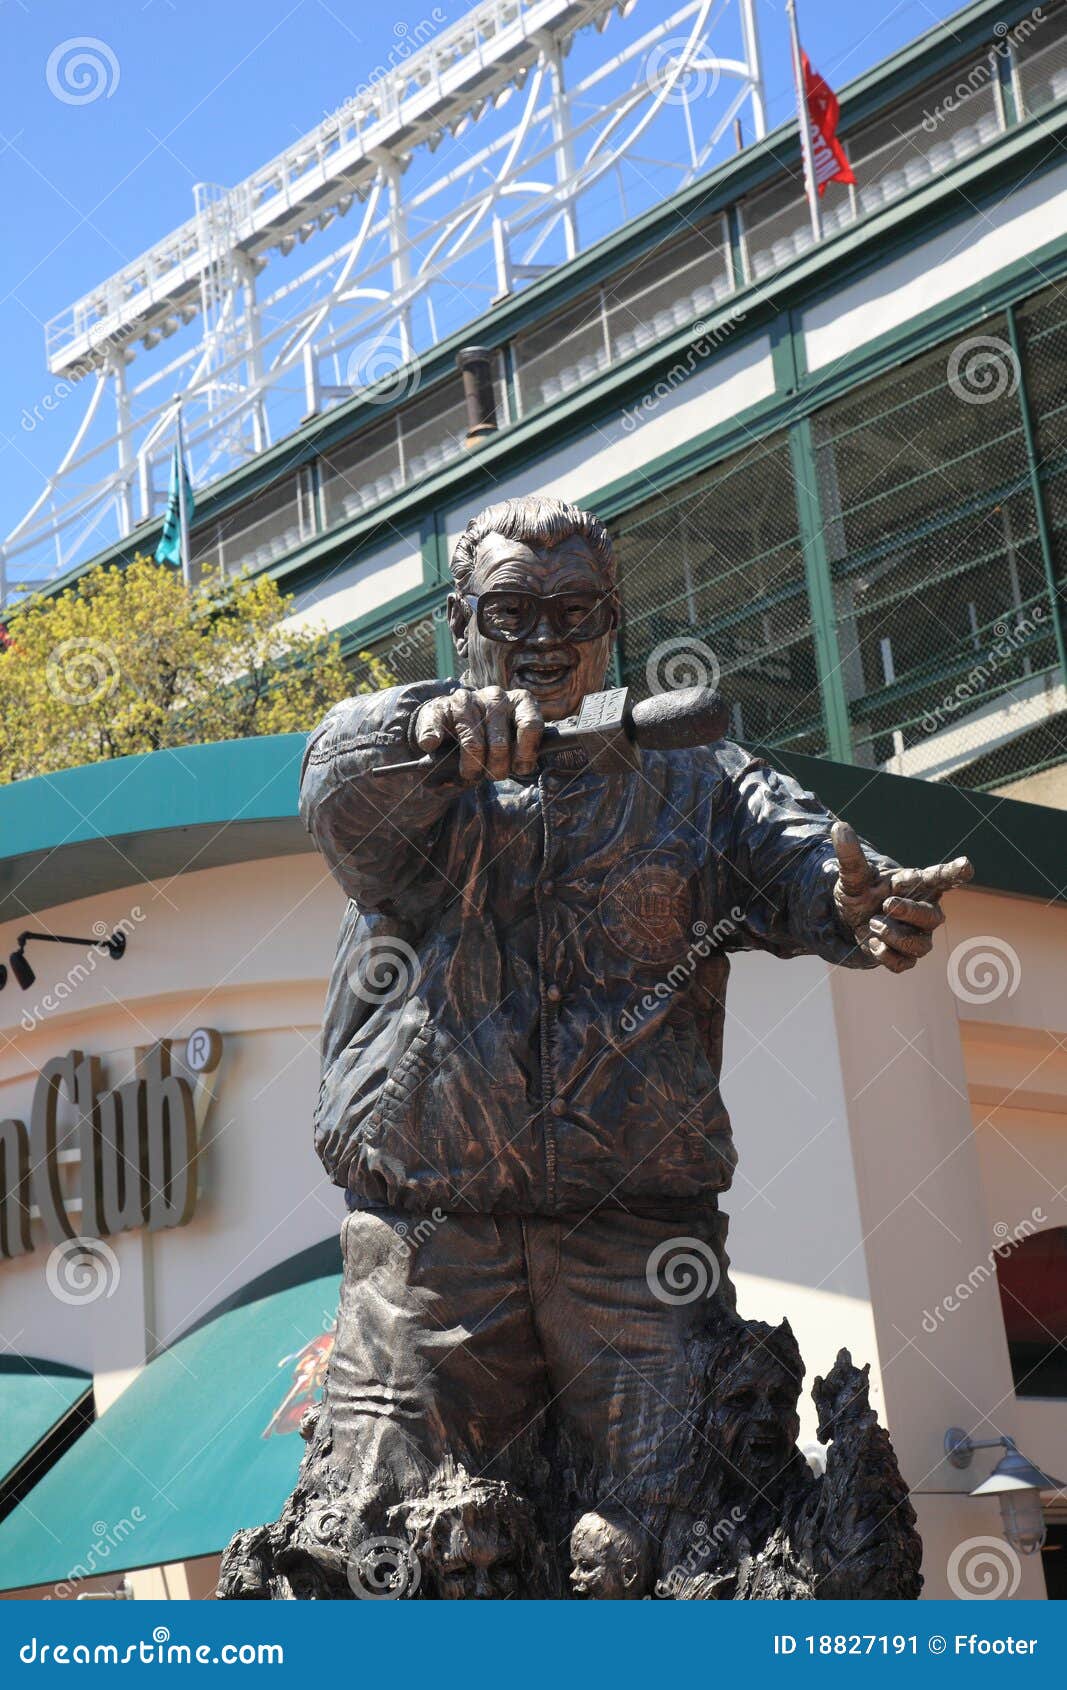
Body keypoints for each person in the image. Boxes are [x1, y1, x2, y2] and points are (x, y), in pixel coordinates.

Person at [296, 494, 972, 1579]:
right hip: (431, 1242)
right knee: (393, 1539)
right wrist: (427, 730)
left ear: (611, 624)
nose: (542, 638)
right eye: (510, 609)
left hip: (635, 1235)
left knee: (684, 1528)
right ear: (459, 619)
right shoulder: (413, 772)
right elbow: (334, 786)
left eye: (575, 610)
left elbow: (804, 860)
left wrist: (860, 903)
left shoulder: (694, 782)